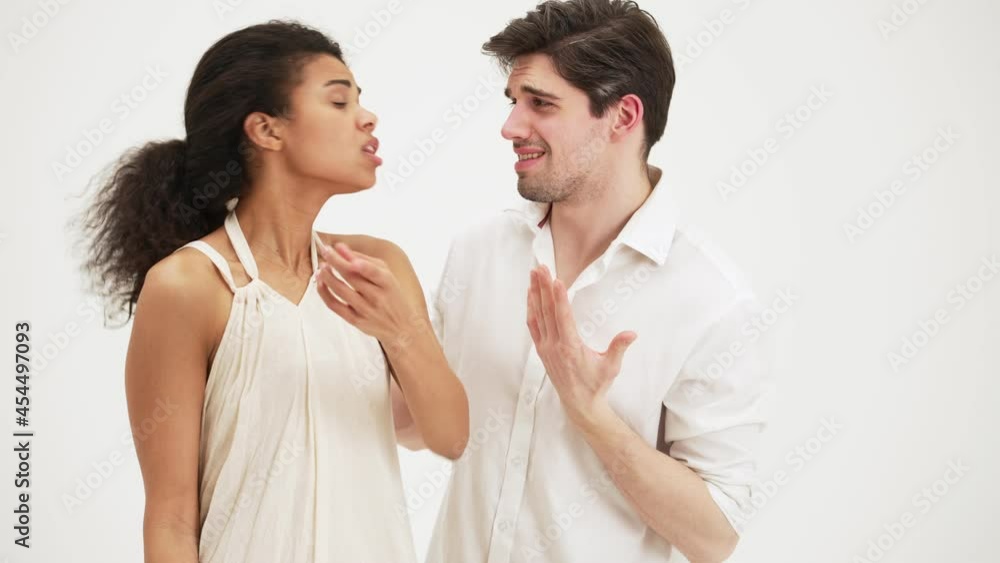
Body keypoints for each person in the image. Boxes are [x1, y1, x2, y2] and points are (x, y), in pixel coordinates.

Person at [79, 20, 469, 563]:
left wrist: (401, 331)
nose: (367, 117)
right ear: (266, 129)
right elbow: (169, 520)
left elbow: (448, 438)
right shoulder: (188, 285)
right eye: (338, 102)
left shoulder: (379, 267)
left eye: (360, 100)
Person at [408, 1, 772, 562]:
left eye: (541, 105)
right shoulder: (479, 252)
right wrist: (392, 332)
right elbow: (414, 426)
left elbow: (713, 537)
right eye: (512, 102)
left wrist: (590, 415)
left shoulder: (712, 301)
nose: (510, 127)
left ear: (623, 117)